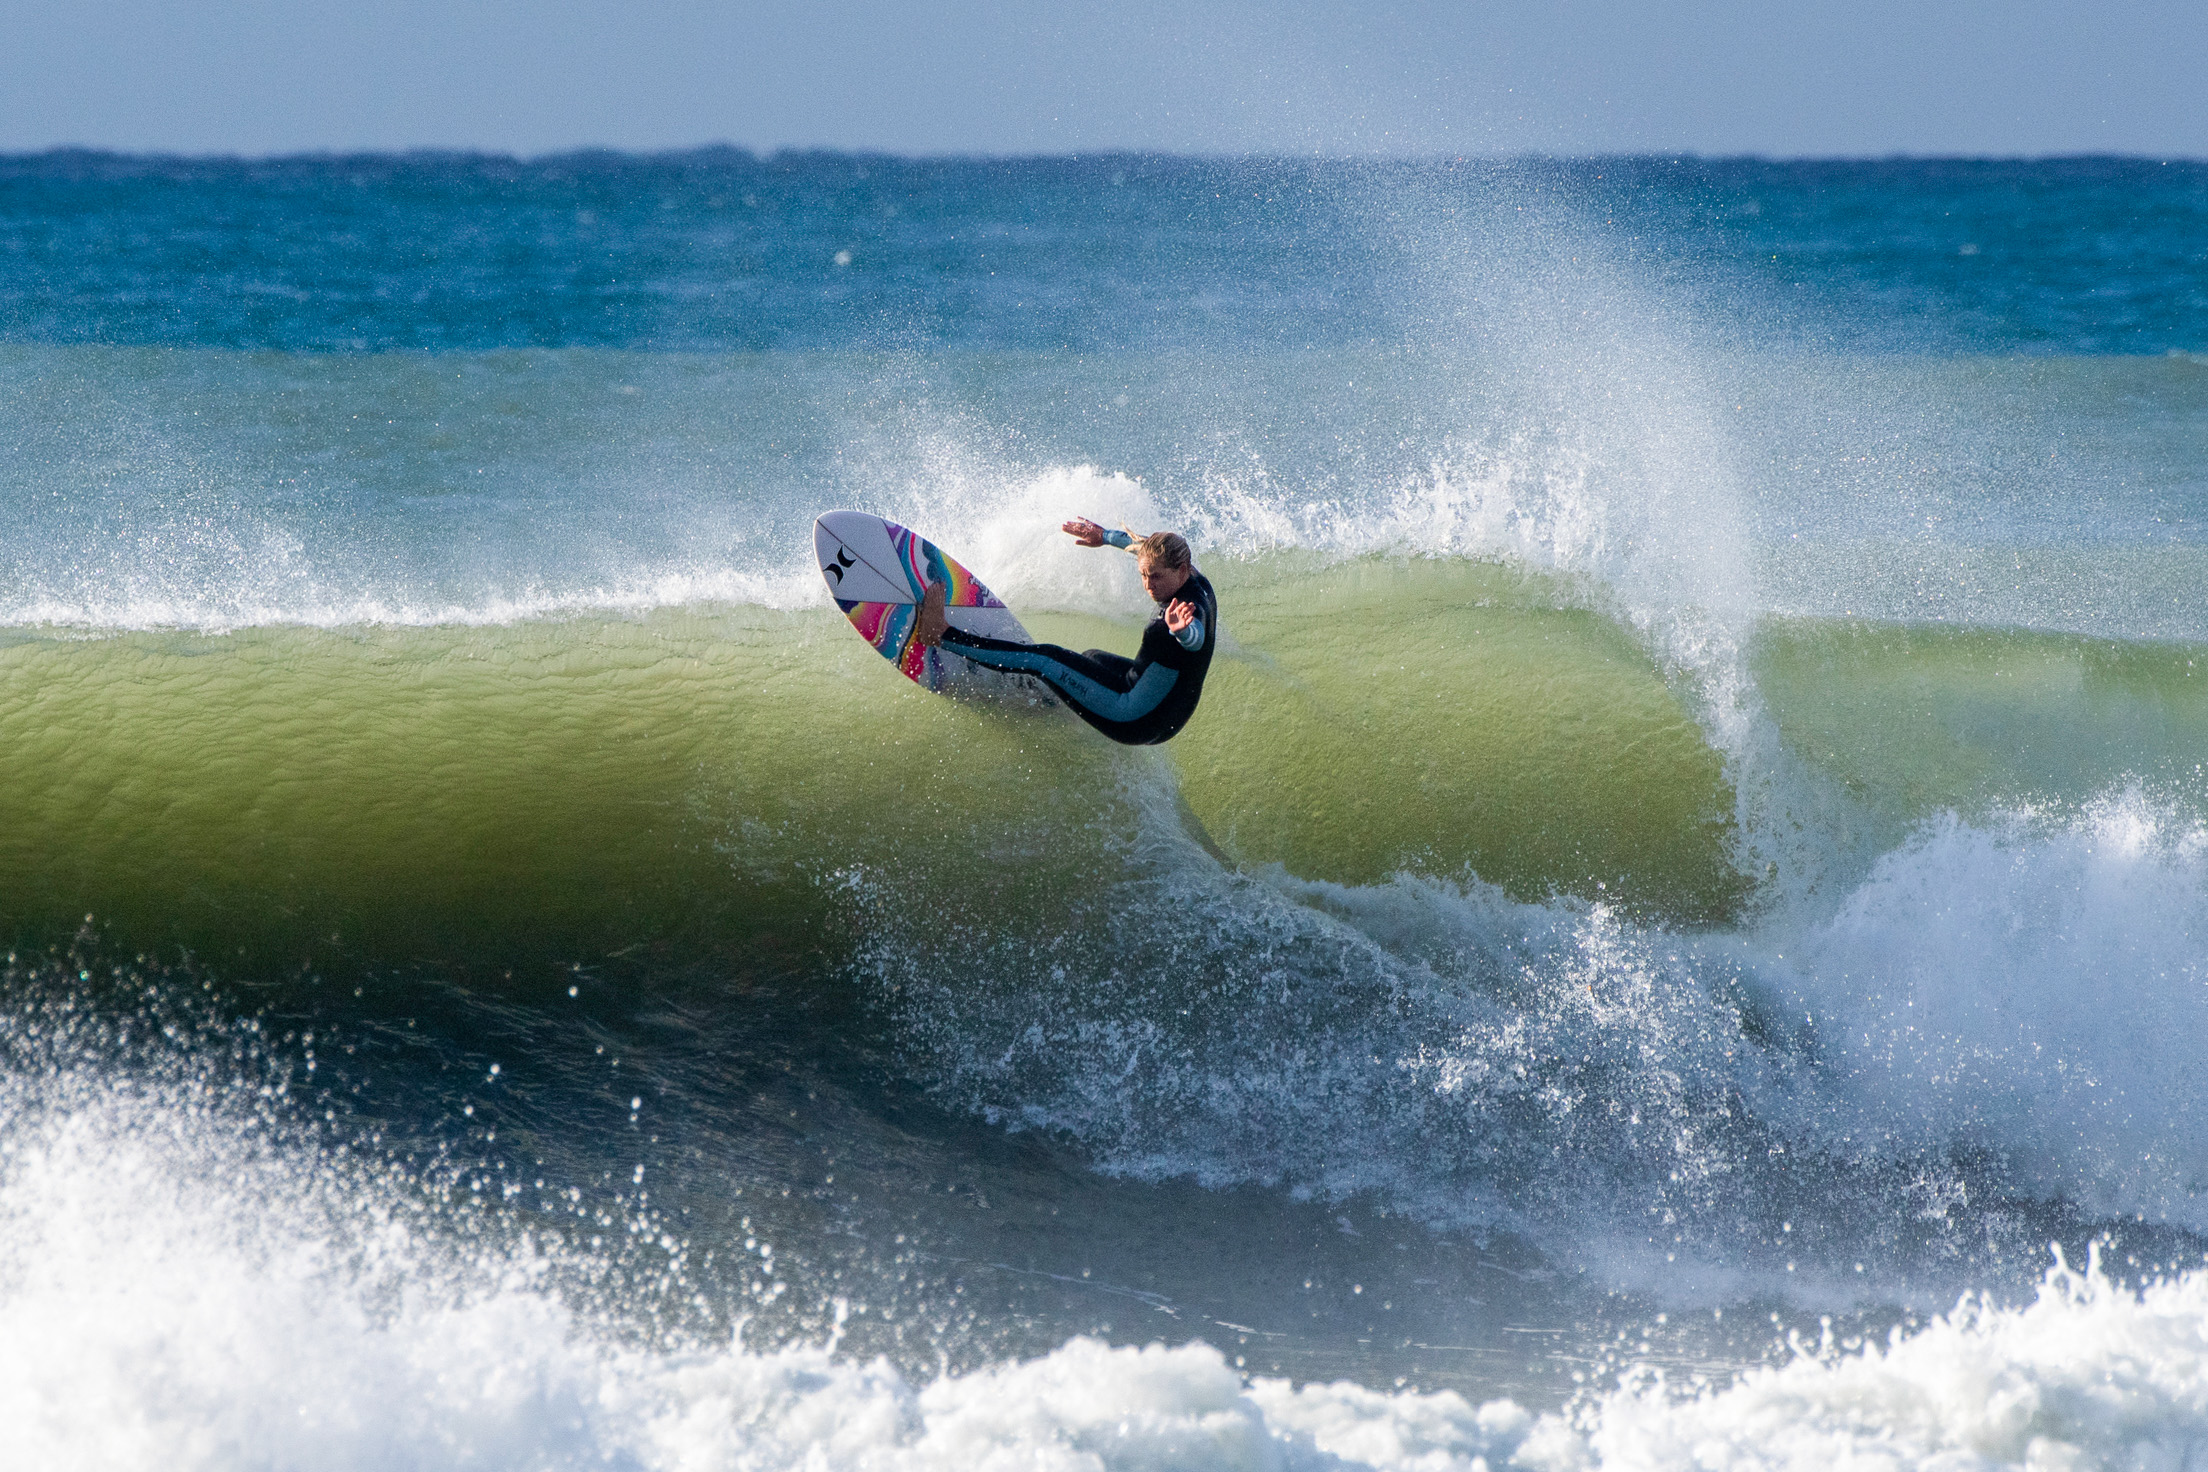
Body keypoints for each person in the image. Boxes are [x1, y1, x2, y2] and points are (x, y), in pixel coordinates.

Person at [912, 516, 1218, 746]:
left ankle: (941, 634)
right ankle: (1065, 701)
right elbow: (1142, 547)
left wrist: (1181, 631)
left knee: (1045, 659)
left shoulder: (1187, 613)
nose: (1149, 585)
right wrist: (1104, 536)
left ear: (1181, 570)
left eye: (1156, 577)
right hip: (1168, 716)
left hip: (1134, 718)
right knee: (1091, 658)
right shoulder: (1194, 578)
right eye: (1143, 575)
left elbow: (1195, 640)